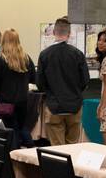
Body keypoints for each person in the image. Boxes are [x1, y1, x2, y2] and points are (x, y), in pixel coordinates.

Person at [36, 17, 90, 145]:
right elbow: (85, 80)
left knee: (57, 148)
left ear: (54, 32)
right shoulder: (77, 54)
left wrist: (49, 93)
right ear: (69, 34)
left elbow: (40, 83)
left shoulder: (44, 55)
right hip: (74, 106)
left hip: (54, 106)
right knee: (72, 146)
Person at [0, 28, 36, 149]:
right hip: (23, 100)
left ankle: (14, 156)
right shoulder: (26, 58)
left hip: (6, 101)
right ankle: (31, 148)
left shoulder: (0, 59)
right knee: (21, 127)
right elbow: (33, 78)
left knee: (11, 130)